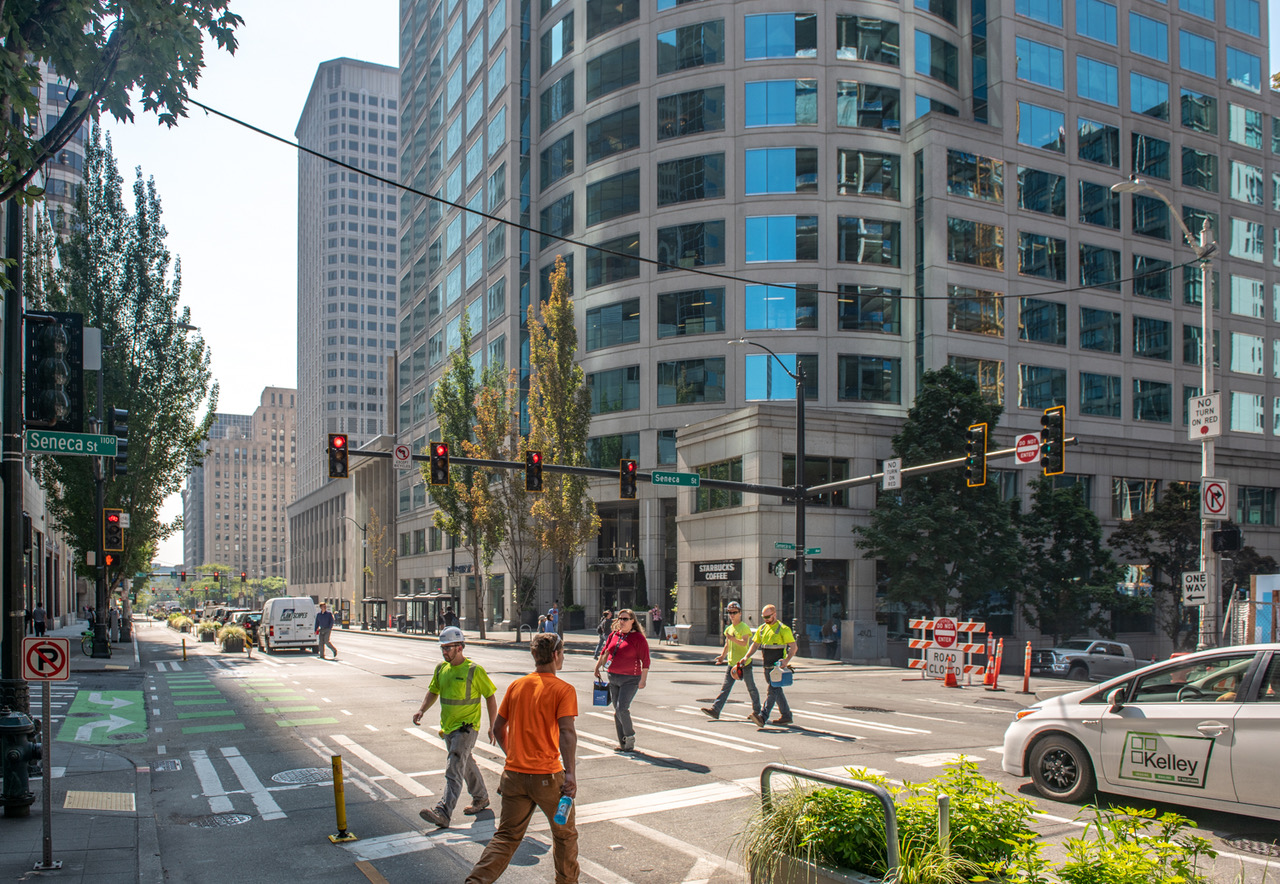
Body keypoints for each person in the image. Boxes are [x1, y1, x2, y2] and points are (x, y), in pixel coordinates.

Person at [464, 632, 578, 884]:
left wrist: (513, 754)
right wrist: (570, 774)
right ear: (556, 655)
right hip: (548, 776)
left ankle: (475, 881)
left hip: (514, 776)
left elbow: (497, 729)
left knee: (506, 837)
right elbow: (567, 732)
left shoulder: (517, 685)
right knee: (564, 836)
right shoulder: (563, 689)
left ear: (534, 655)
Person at [415, 626, 498, 828]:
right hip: (449, 728)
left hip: (466, 729)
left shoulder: (473, 670)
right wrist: (422, 710)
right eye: (442, 648)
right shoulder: (441, 669)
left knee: (454, 767)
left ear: (460, 647)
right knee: (465, 763)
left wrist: (493, 726)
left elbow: (490, 696)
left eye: (448, 648)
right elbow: (433, 691)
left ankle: (443, 811)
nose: (444, 652)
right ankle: (481, 798)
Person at [593, 608, 649, 751]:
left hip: (630, 679)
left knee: (622, 708)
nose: (621, 621)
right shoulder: (614, 635)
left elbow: (646, 661)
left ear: (632, 621)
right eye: (620, 618)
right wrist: (597, 667)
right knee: (617, 710)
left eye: (625, 619)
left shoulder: (638, 638)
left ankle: (629, 736)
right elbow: (605, 651)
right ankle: (623, 743)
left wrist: (643, 680)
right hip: (613, 676)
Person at [702, 601, 761, 721]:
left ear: (740, 613)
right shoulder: (729, 629)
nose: (732, 615)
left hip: (744, 663)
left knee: (751, 688)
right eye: (729, 612)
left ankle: (757, 712)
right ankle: (715, 710)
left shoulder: (744, 627)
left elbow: (745, 642)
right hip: (732, 663)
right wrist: (722, 657)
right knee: (725, 688)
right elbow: (727, 645)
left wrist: (733, 639)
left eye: (734, 612)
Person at [742, 604, 797, 728]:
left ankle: (763, 716)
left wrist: (787, 660)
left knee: (772, 691)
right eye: (764, 617)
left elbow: (794, 647)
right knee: (777, 691)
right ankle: (786, 715)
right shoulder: (762, 629)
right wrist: (746, 656)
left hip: (777, 668)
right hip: (766, 667)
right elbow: (755, 645)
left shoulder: (783, 629)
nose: (766, 619)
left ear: (774, 614)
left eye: (768, 616)